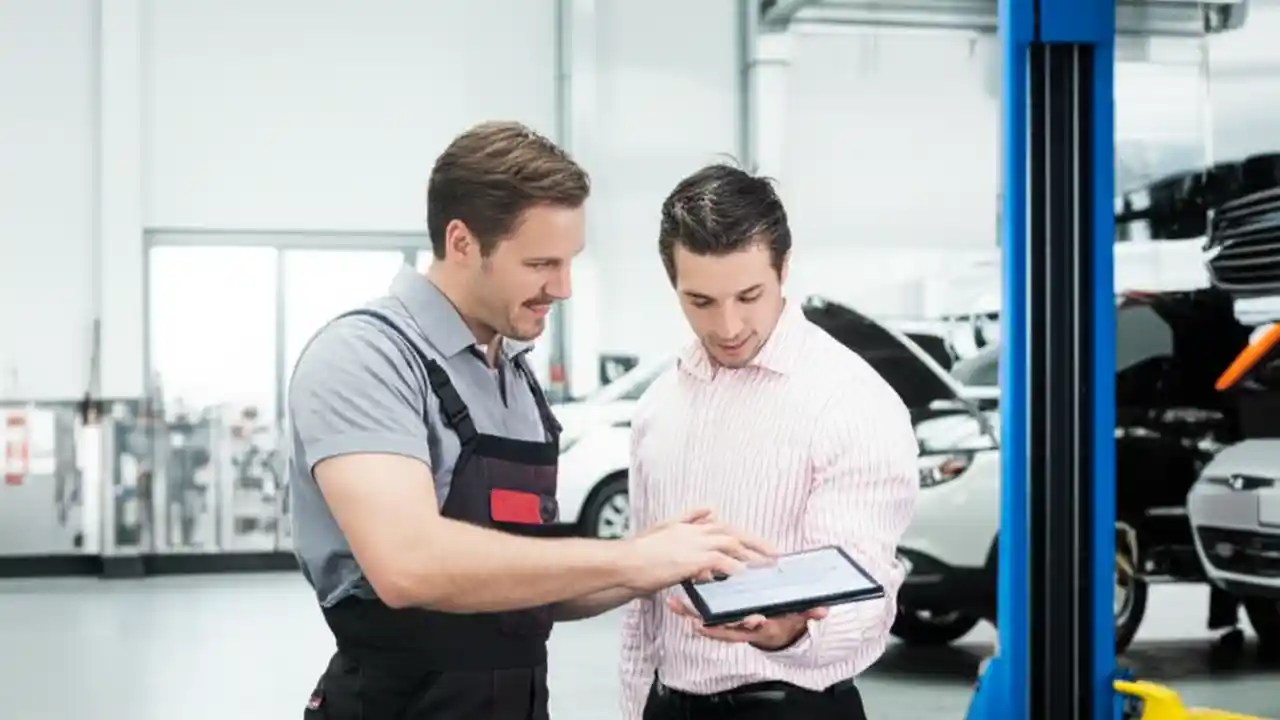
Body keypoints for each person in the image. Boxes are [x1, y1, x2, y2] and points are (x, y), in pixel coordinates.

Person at [287, 122, 771, 720]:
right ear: (462, 242)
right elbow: (408, 564)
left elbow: (528, 581)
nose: (562, 287)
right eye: (540, 262)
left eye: (569, 262)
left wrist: (663, 558)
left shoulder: (513, 374)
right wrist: (629, 560)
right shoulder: (365, 358)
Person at [618, 164, 920, 720]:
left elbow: (870, 591)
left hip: (793, 709)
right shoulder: (658, 405)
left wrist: (787, 632)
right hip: (668, 706)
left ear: (784, 267)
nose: (729, 325)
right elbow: (647, 606)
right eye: (700, 302)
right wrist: (636, 706)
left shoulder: (850, 399)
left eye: (749, 295)